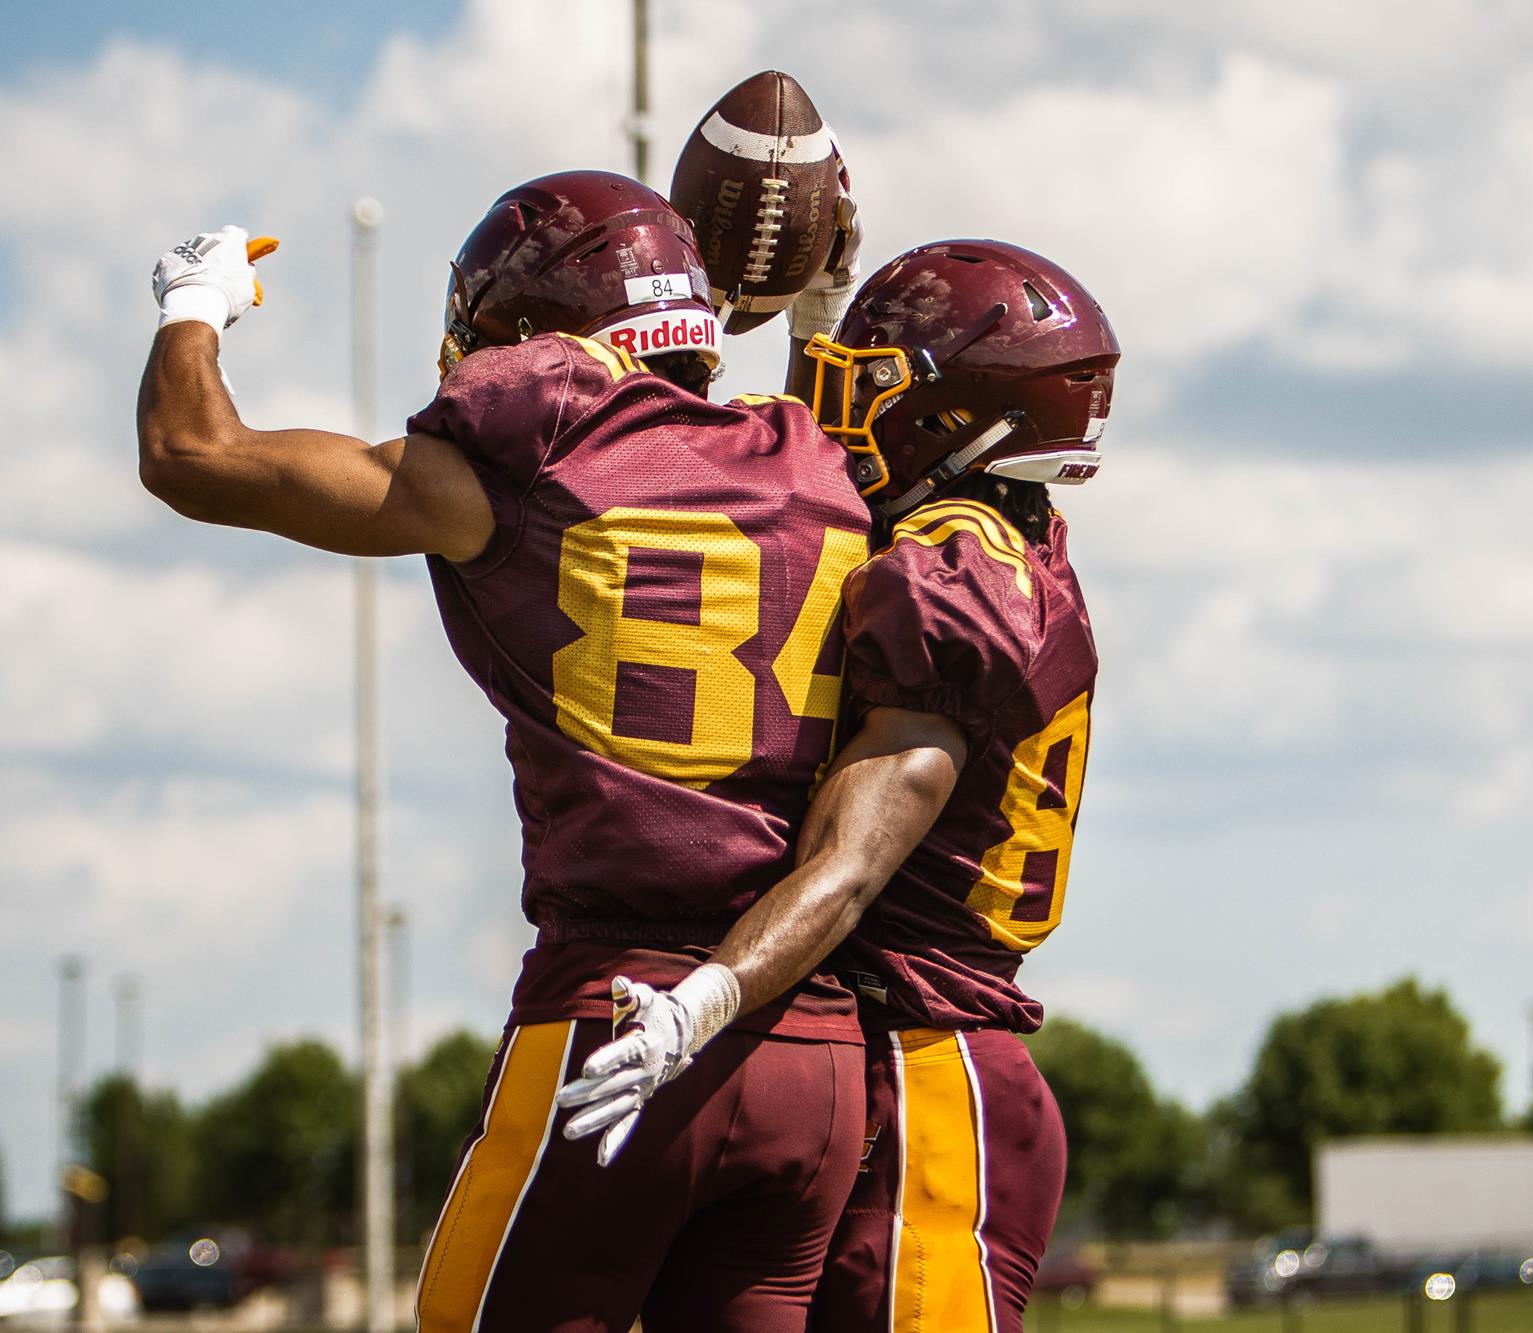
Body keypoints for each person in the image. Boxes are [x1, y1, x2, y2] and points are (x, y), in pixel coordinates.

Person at [135, 172, 961, 1333]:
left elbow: (191, 452)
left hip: (618, 1012)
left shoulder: (511, 474)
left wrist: (194, 306)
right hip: (808, 1046)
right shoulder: (822, 467)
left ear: (531, 337)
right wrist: (820, 309)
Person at [555, 238, 1119, 1333]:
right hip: (896, 1056)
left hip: (929, 1063)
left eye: (866, 385)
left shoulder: (949, 575)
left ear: (951, 421)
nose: (830, 406)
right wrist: (815, 298)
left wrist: (708, 996)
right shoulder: (979, 538)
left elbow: (853, 863)